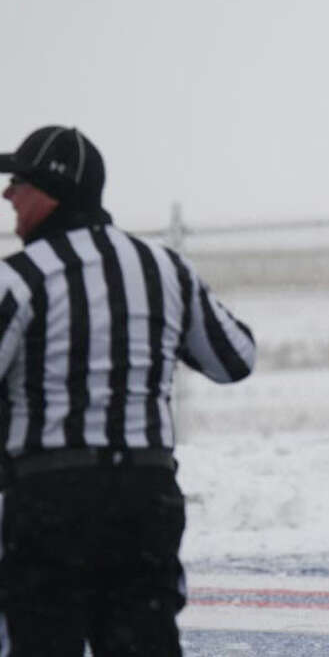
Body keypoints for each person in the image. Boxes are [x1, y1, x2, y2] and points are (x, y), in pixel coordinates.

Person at [0, 126, 256, 655]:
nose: (7, 196)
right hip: (145, 494)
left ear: (50, 189)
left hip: (51, 496)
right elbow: (234, 359)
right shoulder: (164, 267)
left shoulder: (21, 277)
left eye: (17, 183)